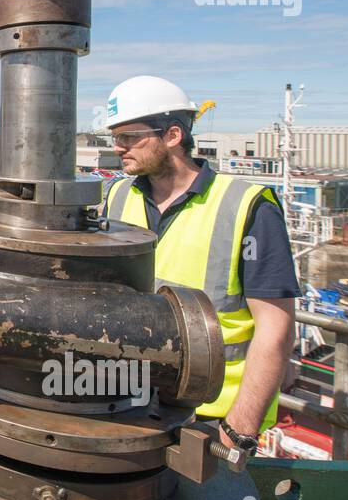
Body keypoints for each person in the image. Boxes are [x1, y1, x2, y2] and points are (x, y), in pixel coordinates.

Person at [101, 76, 300, 453]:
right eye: (115, 137)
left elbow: (276, 329)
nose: (118, 148)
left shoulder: (246, 206)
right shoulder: (118, 195)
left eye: (129, 137)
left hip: (210, 418)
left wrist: (238, 432)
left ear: (173, 135)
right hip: (127, 404)